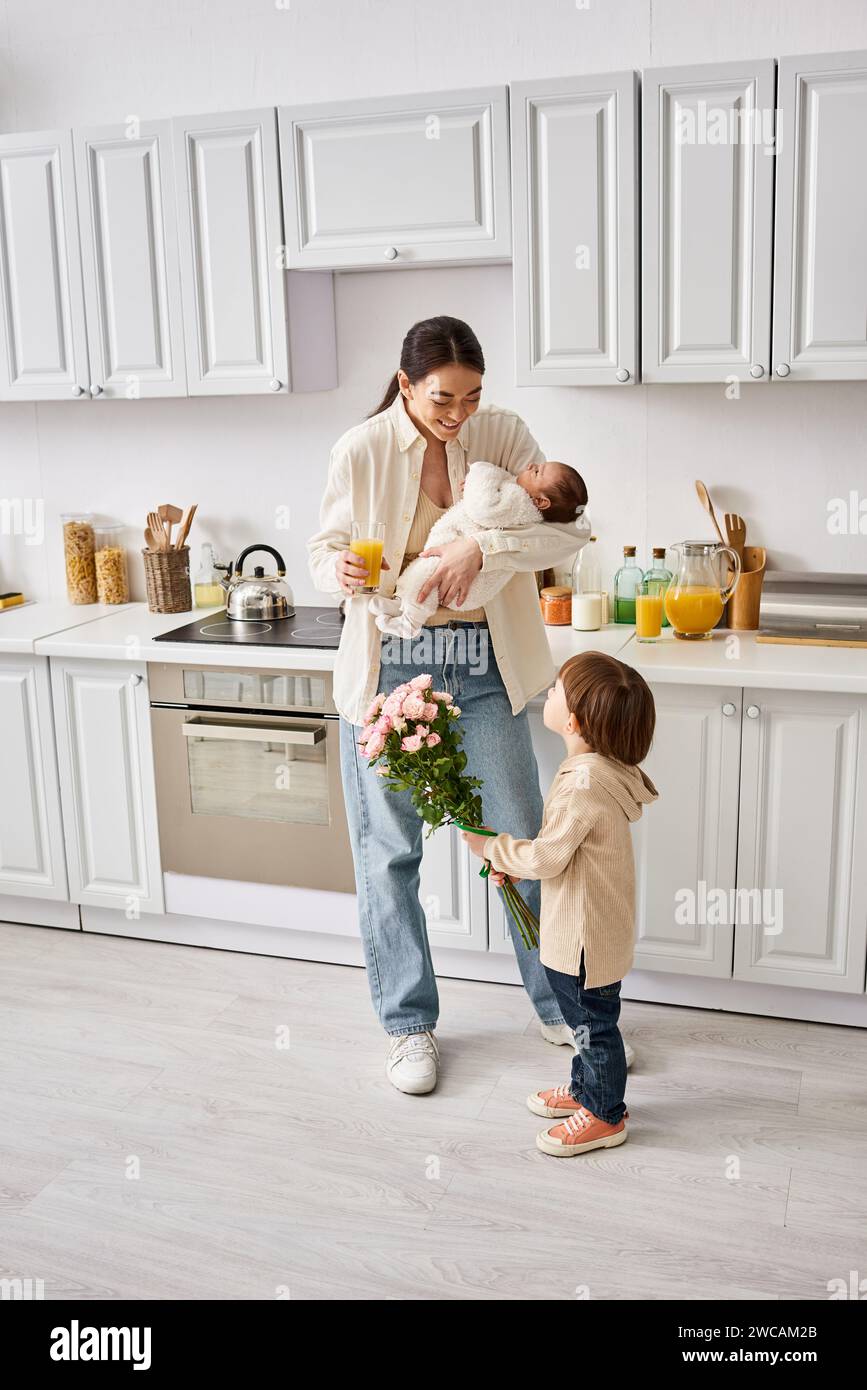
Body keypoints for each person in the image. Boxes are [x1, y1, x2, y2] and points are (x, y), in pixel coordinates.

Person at [307, 315, 590, 1095]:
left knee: (523, 846)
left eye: (471, 396)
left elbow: (570, 529)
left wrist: (480, 548)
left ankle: (558, 1004)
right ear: (405, 385)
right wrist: (343, 576)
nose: (459, 413)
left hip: (483, 670)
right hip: (389, 672)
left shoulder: (502, 433)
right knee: (389, 856)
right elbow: (323, 551)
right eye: (442, 398)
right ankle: (408, 1028)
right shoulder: (360, 449)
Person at [463, 652, 658, 1154]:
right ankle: (584, 1090)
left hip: (582, 941)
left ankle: (605, 1114)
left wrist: (494, 848)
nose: (547, 694)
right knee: (584, 1024)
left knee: (592, 1028)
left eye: (554, 690)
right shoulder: (600, 769)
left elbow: (547, 858)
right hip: (591, 929)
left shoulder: (584, 785)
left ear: (572, 721)